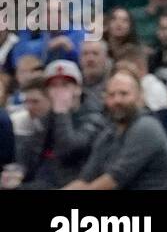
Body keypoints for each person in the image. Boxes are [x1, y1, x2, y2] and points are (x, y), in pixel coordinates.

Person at [64, 70, 167, 190]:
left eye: (124, 94)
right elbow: (85, 180)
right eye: (111, 95)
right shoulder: (108, 134)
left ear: (140, 97)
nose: (117, 100)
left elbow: (112, 180)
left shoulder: (147, 127)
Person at [6, 61, 107, 189]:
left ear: (77, 89)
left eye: (65, 85)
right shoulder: (48, 116)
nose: (59, 92)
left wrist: (61, 113)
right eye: (54, 86)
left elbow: (69, 151)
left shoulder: (94, 116)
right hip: (40, 181)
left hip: (70, 183)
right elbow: (31, 157)